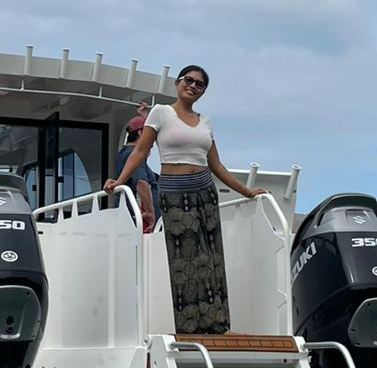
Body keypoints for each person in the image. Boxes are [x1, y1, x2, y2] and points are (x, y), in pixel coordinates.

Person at [103, 65, 265, 334]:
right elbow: (141, 151)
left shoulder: (205, 122)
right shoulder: (161, 113)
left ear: (203, 92)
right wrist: (119, 180)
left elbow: (217, 166)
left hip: (204, 189)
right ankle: (191, 329)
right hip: (175, 190)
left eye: (199, 84)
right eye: (188, 80)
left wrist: (247, 191)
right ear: (178, 83)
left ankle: (220, 327)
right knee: (184, 261)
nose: (192, 86)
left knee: (212, 258)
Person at [113, 114, 159, 232]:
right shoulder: (133, 154)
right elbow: (141, 182)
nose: (153, 141)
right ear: (140, 133)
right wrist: (149, 213)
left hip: (129, 217)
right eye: (150, 134)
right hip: (139, 222)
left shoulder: (125, 153)